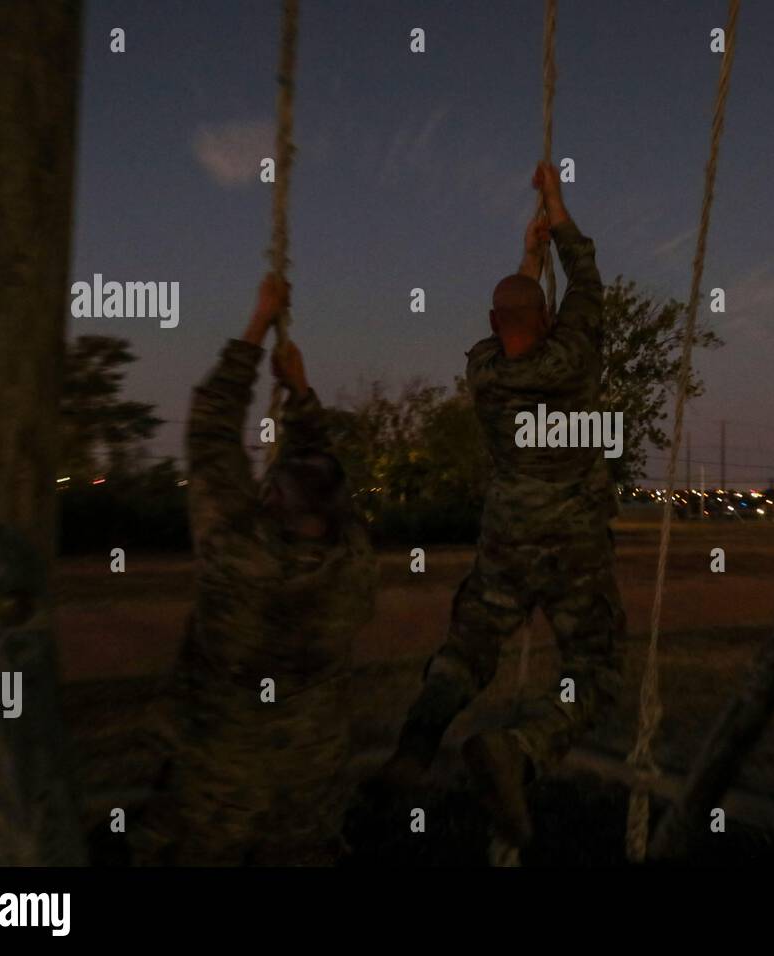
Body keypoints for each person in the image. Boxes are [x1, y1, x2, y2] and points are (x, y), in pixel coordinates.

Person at [371, 163, 625, 849]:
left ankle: (416, 746)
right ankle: (520, 750)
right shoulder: (573, 356)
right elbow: (590, 280)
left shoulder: (483, 369)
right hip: (572, 542)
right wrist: (558, 210)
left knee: (467, 648)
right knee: (592, 670)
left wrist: (527, 255)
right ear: (546, 315)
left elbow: (518, 312)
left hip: (506, 538)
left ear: (494, 321)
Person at [134, 275, 375, 865]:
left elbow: (212, 430)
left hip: (214, 791)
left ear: (269, 502)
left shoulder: (233, 554)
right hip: (307, 794)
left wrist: (258, 323)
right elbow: (322, 486)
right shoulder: (355, 568)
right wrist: (301, 394)